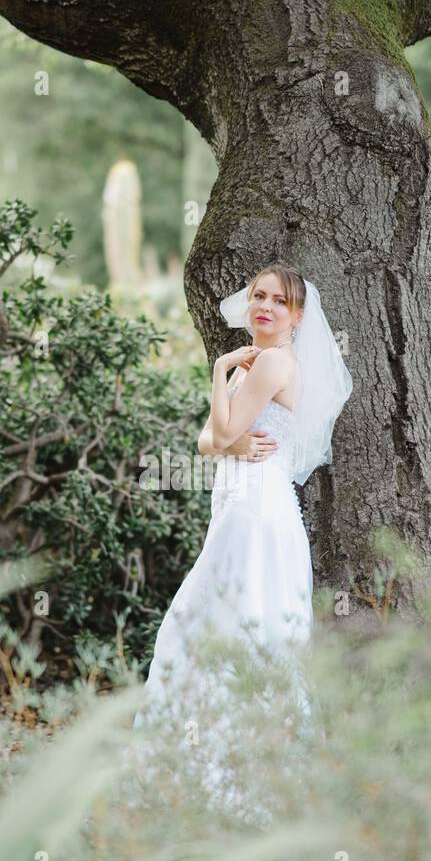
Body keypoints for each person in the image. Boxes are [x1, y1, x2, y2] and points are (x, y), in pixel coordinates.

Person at [131, 263, 353, 777]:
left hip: (256, 510)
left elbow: (224, 430)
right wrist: (226, 426)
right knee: (217, 626)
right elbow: (207, 442)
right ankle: (205, 767)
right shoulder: (250, 364)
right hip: (237, 501)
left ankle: (242, 775)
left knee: (229, 628)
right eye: (259, 296)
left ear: (296, 315)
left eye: (279, 301)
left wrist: (217, 375)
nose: (265, 307)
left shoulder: (271, 365)